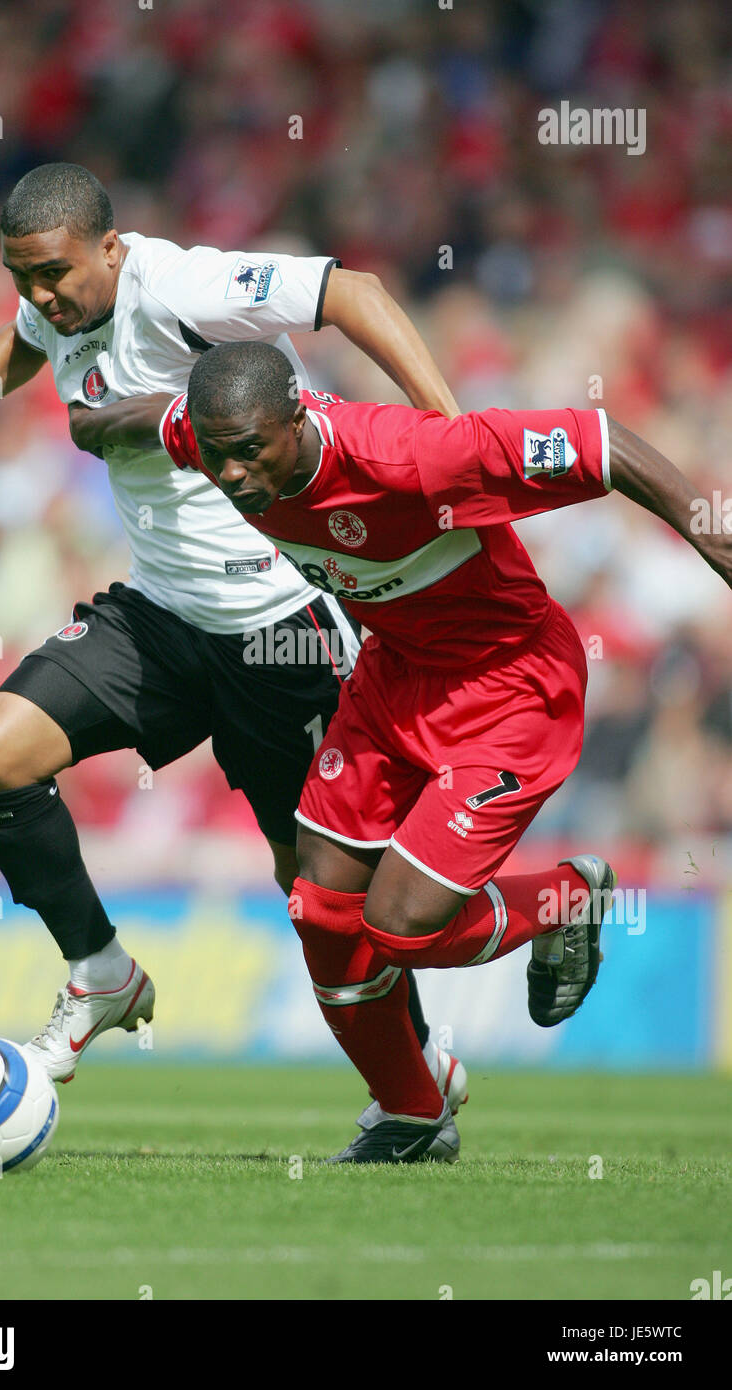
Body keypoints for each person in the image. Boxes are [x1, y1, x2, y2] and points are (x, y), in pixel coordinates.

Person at [0, 163, 465, 1112]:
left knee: (317, 888)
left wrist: (447, 429)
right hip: (160, 618)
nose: (38, 297)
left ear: (110, 250)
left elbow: (350, 291)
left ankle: (418, 1076)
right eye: (19, 276)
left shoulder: (184, 288)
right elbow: (21, 342)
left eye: (54, 275)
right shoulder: (59, 307)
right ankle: (101, 972)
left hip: (282, 632)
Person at [128, 338, 731, 1163]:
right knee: (319, 909)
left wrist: (710, 534)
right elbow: (144, 419)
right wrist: (36, 406)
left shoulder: (415, 455)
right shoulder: (214, 432)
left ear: (296, 416)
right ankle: (410, 1116)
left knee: (403, 928)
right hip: (391, 680)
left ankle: (565, 900)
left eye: (248, 452)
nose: (230, 474)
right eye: (216, 452)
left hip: (507, 691)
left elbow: (599, 439)